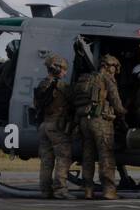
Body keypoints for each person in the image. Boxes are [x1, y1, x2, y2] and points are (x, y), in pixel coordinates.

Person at [73, 54, 126, 200]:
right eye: (114, 67)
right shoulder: (107, 79)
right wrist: (124, 113)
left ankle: (88, 190)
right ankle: (109, 190)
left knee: (88, 156)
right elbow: (116, 103)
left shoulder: (87, 79)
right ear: (108, 66)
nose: (115, 71)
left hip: (84, 121)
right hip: (101, 122)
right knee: (106, 155)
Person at [33, 53, 74, 199]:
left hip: (44, 125)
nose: (65, 72)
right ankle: (60, 190)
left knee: (46, 160)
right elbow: (72, 102)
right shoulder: (62, 86)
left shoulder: (41, 85)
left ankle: (45, 190)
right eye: (63, 69)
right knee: (63, 157)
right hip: (57, 126)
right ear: (57, 69)